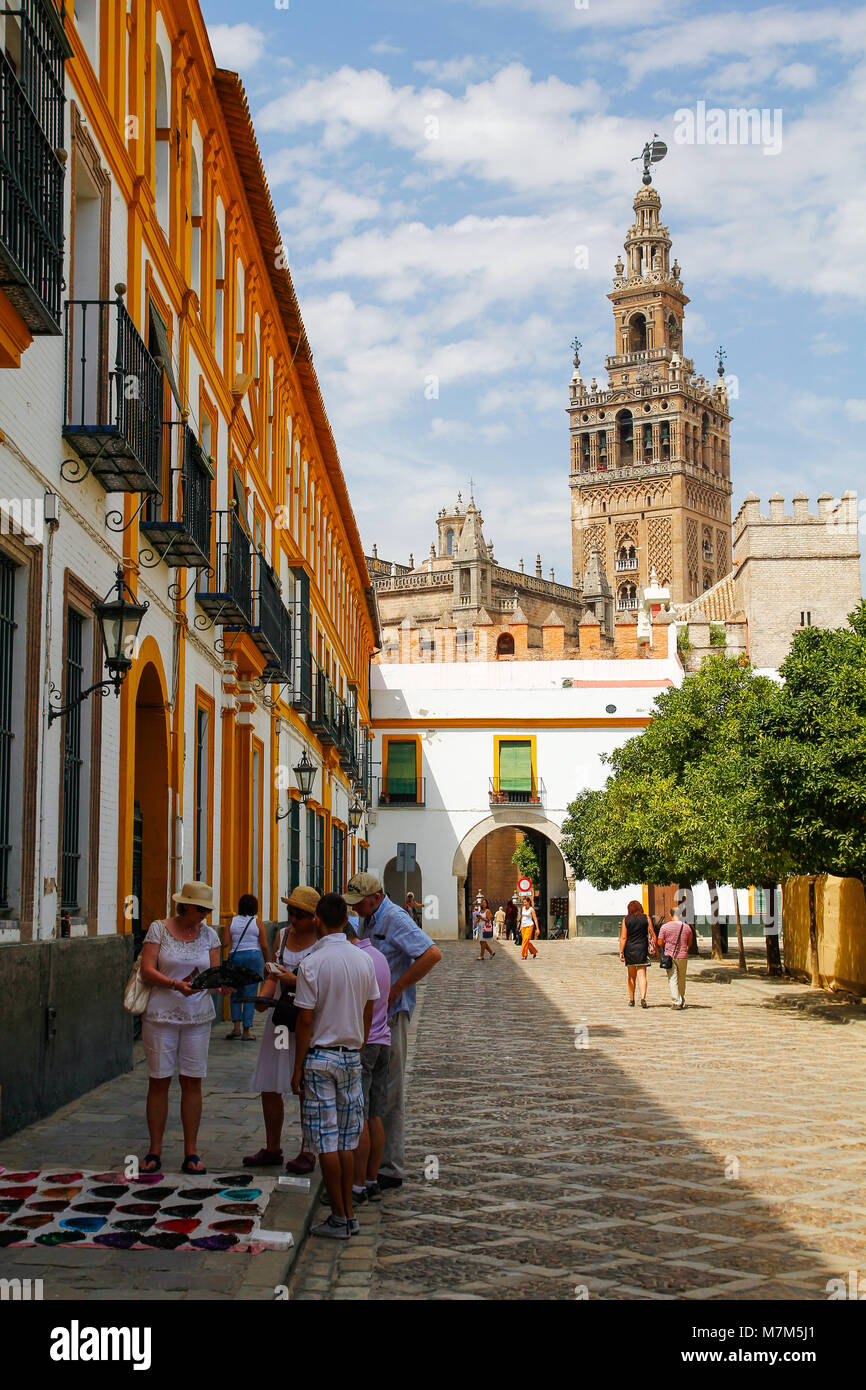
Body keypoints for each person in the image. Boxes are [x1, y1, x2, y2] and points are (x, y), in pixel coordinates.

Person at [346, 872, 442, 1190]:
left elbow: (431, 954)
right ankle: (374, 1165)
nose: (356, 909)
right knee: (377, 1091)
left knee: (389, 1089)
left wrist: (398, 987)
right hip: (374, 1017)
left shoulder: (394, 918)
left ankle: (390, 1166)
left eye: (359, 904)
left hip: (392, 1016)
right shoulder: (369, 919)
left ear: (375, 898)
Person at [292, 893, 379, 1239]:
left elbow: (304, 1021)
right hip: (351, 1056)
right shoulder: (364, 961)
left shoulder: (312, 964)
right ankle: (349, 1214)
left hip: (321, 1057)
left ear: (317, 921)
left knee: (326, 1142)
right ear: (346, 921)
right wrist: (358, 1038)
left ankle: (340, 1216)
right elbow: (370, 1008)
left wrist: (298, 1066)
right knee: (346, 1139)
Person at [138, 881, 229, 1174]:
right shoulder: (159, 929)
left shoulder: (210, 936)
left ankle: (191, 1150)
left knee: (192, 1081)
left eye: (207, 910)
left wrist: (222, 985)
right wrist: (174, 984)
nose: (204, 915)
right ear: (186, 905)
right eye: (200, 909)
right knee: (159, 1080)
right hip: (161, 1014)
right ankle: (155, 1150)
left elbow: (213, 974)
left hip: (197, 1017)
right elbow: (147, 969)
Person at [243, 886, 320, 1172]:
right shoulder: (283, 935)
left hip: (306, 1020)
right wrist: (263, 996)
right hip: (280, 1018)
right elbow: (274, 973)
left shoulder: (321, 942)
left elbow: (320, 984)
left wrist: (292, 980)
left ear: (314, 918)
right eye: (292, 913)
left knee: (305, 1086)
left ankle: (308, 1149)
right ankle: (272, 1146)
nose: (295, 919)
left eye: (301, 915)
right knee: (270, 1082)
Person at [348, 919, 392, 1205]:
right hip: (384, 1041)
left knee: (360, 1117)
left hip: (365, 1044)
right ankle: (373, 1179)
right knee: (375, 1114)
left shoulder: (356, 962)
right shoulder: (379, 956)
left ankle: (356, 1185)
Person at [224, 893, 269, 1041]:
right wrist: (268, 962)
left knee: (235, 992)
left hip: (235, 957)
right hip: (253, 957)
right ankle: (246, 1031)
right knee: (250, 994)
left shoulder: (231, 921)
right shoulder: (257, 923)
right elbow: (263, 945)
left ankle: (236, 1027)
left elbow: (225, 943)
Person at [619, 898, 658, 1008]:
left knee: (631, 976)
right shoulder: (646, 918)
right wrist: (656, 949)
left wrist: (621, 951)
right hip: (642, 948)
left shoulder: (626, 920)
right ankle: (643, 998)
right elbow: (652, 934)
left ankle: (631, 999)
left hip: (630, 949)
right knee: (642, 974)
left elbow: (623, 937)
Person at [657, 906, 693, 1009]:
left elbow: (660, 942)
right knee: (682, 978)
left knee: (672, 978)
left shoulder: (665, 927)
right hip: (683, 956)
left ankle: (676, 1001)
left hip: (670, 955)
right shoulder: (687, 927)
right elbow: (689, 943)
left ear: (670, 914)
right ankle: (682, 999)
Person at [476, 897, 496, 961]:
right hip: (480, 927)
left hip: (485, 927)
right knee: (481, 942)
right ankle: (491, 952)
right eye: (482, 902)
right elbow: (478, 918)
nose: (483, 904)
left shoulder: (488, 911)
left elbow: (488, 919)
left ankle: (481, 955)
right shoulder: (480, 911)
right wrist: (476, 922)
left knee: (483, 942)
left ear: (487, 904)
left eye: (484, 903)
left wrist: (481, 918)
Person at [519, 895, 539, 959]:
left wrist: (537, 928)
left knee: (525, 940)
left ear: (529, 902)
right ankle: (534, 951)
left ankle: (524, 955)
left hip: (529, 925)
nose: (524, 904)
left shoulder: (531, 909)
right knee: (526, 941)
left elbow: (535, 919)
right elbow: (522, 917)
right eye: (523, 902)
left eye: (525, 902)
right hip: (523, 926)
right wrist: (520, 926)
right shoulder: (523, 908)